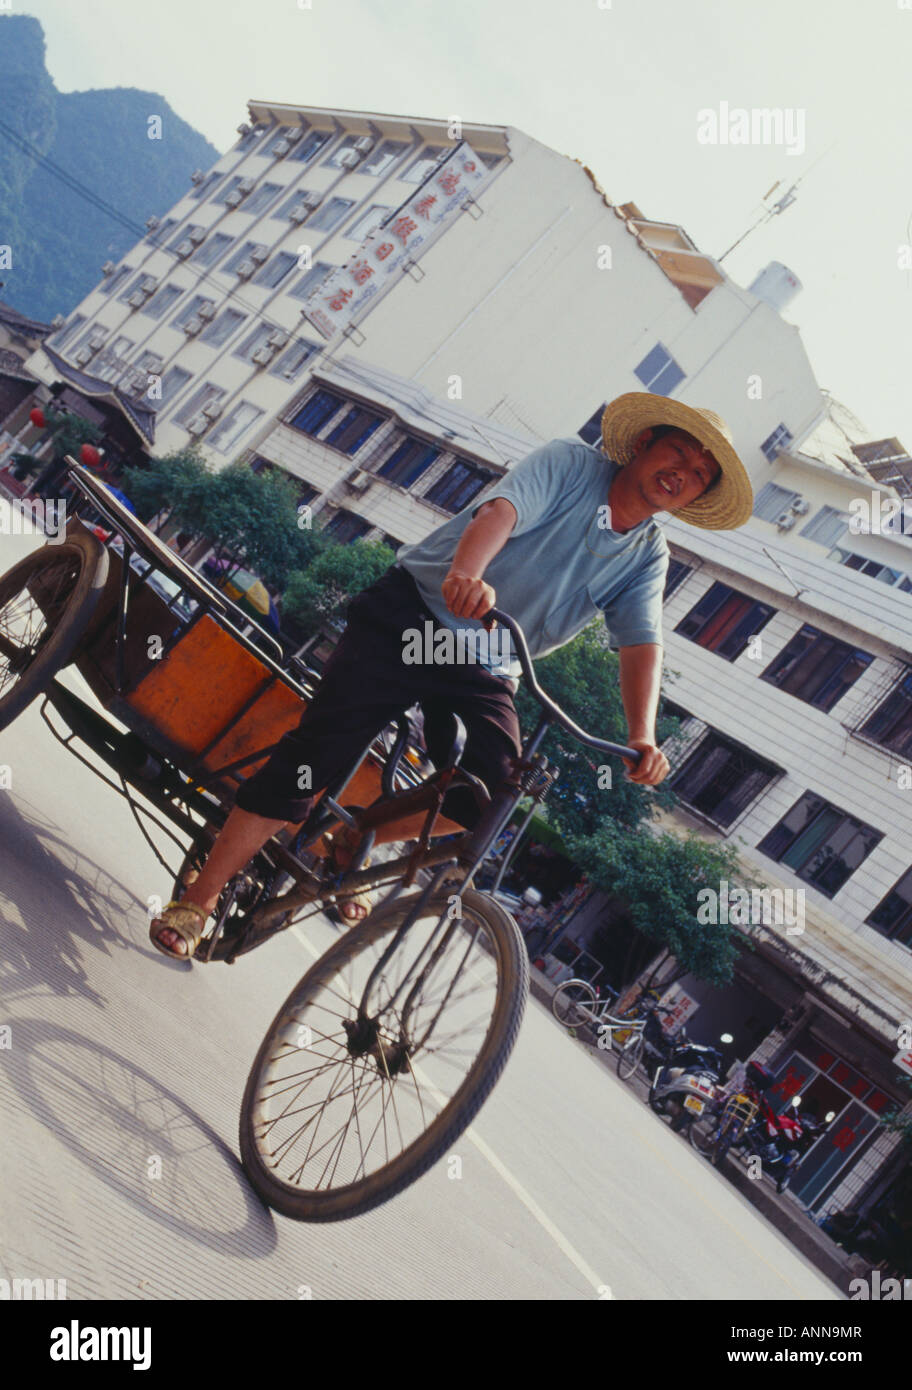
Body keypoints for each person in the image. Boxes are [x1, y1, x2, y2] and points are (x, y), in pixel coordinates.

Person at [150, 391, 753, 958]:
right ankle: (198, 901)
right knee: (314, 757)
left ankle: (357, 838)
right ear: (646, 442)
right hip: (414, 614)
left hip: (491, 661)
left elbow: (642, 641)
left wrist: (643, 735)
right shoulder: (572, 465)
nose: (684, 470)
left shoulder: (649, 555)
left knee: (488, 794)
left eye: (700, 473)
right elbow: (502, 510)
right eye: (679, 451)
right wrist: (467, 572)